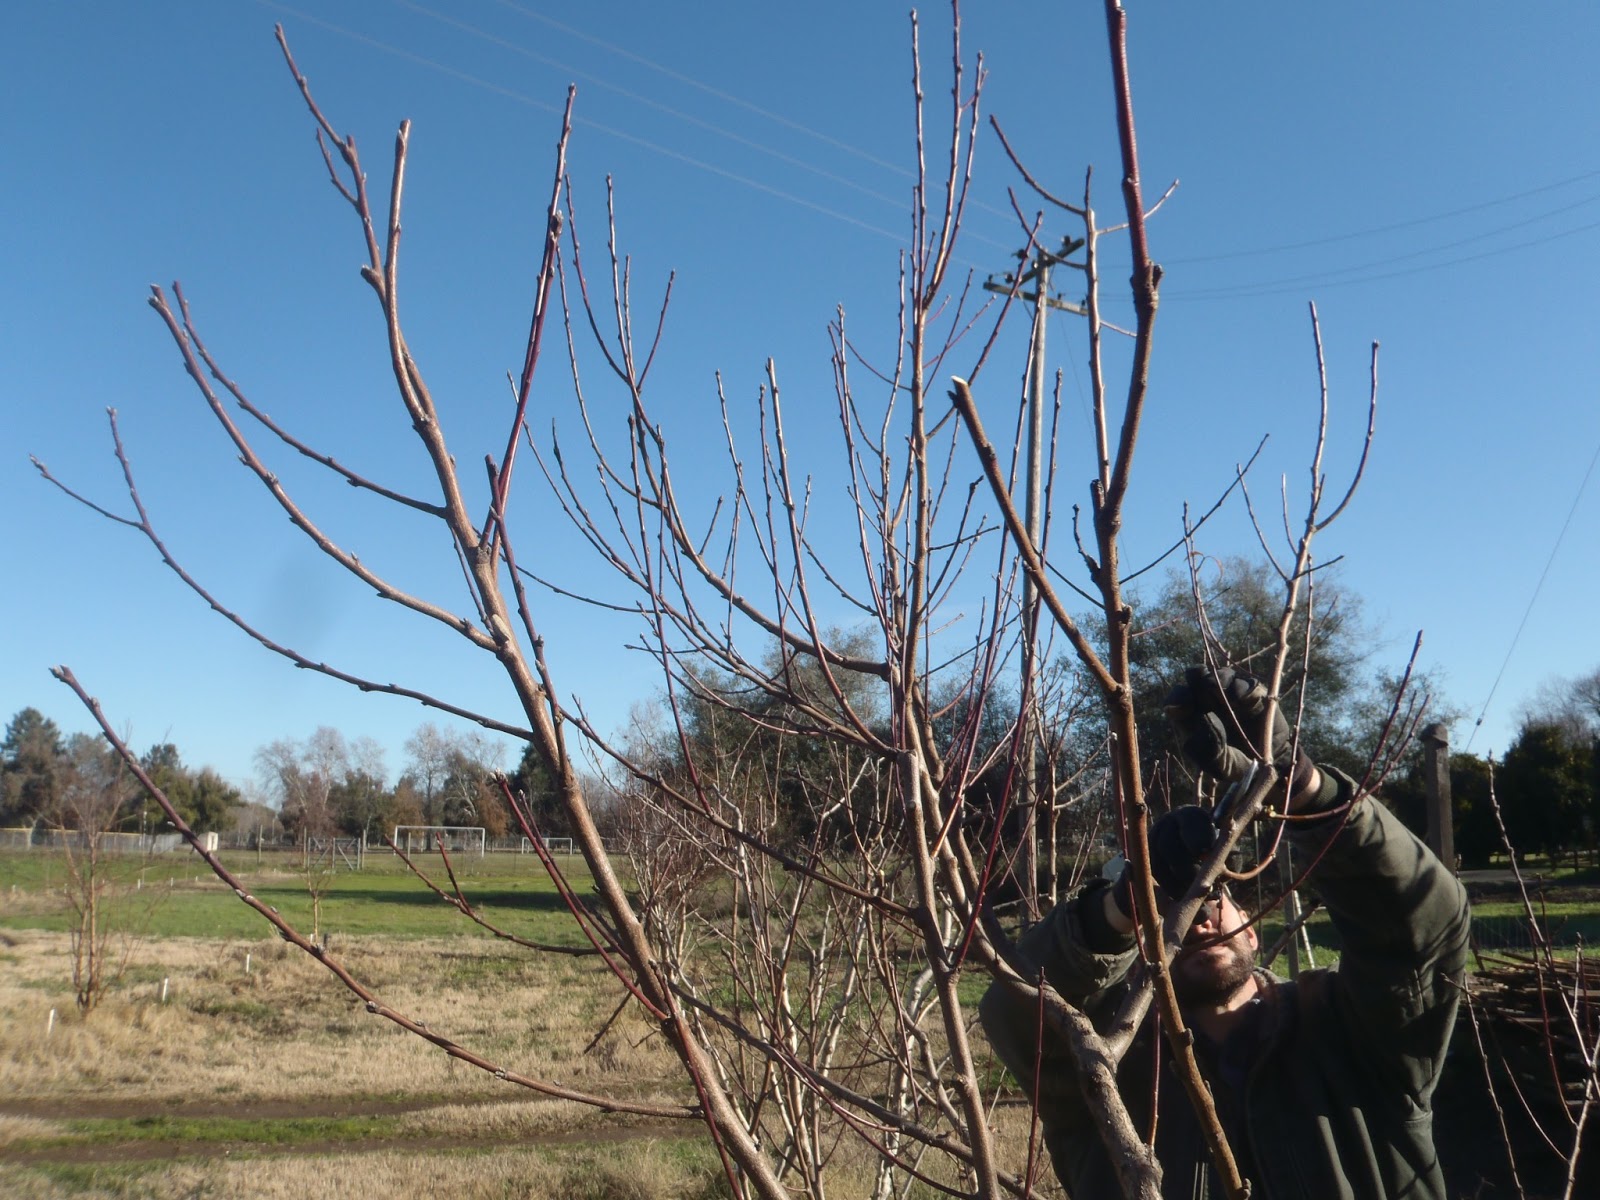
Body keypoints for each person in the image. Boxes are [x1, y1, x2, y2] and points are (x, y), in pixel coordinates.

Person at [980, 667, 1471, 1200]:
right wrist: (1122, 903)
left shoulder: (1349, 1033)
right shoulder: (1109, 1067)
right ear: (1146, 946)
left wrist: (1303, 789)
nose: (1196, 915)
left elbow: (1425, 923)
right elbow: (1014, 1009)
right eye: (1171, 908)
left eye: (1214, 897)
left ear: (1253, 933)